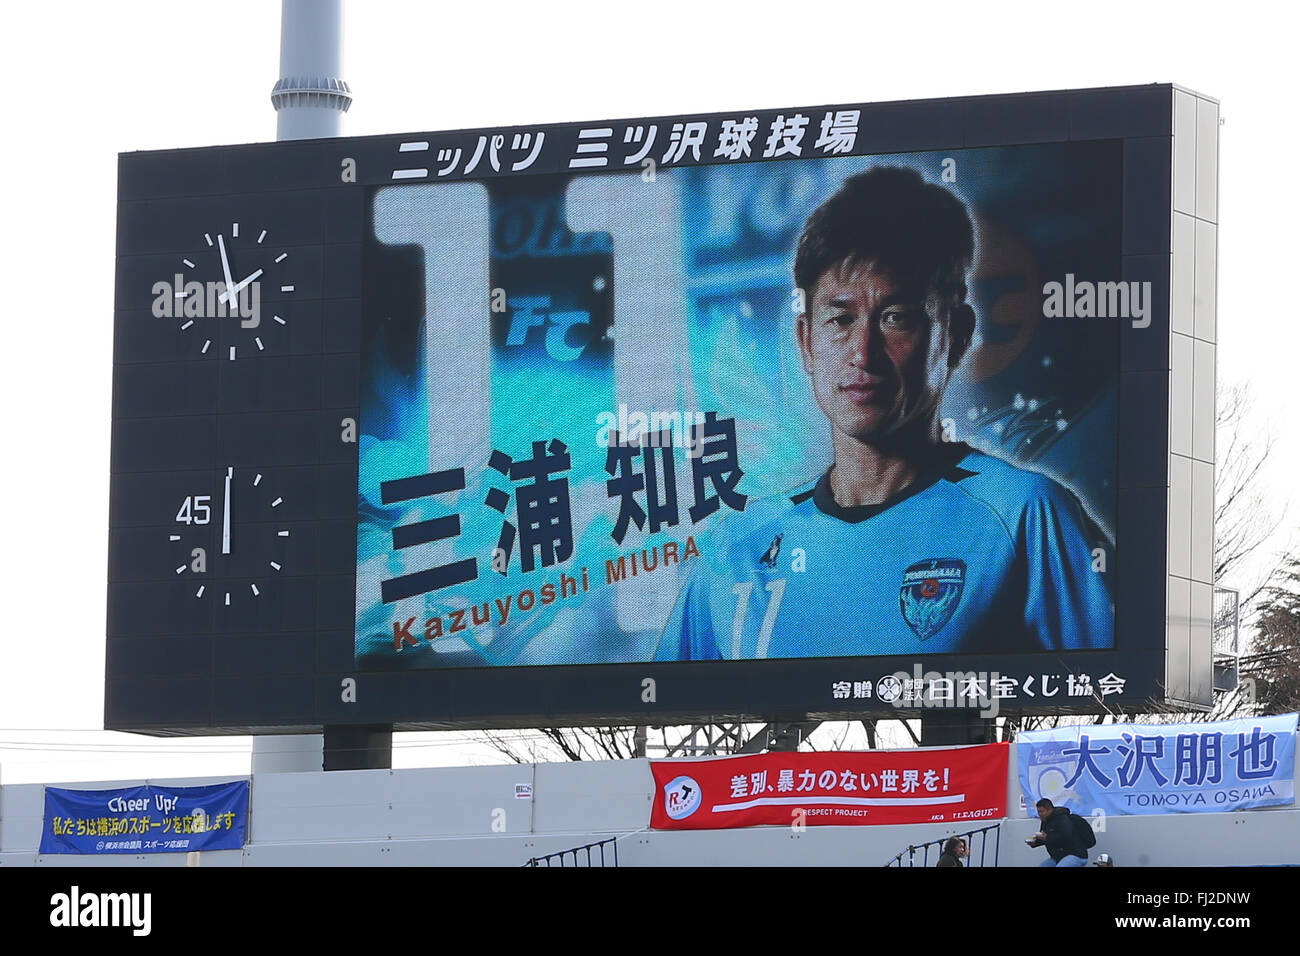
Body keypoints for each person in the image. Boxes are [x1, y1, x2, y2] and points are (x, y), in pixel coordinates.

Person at [655, 166, 1114, 661]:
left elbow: (1119, 698)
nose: (863, 353)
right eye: (840, 319)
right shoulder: (736, 549)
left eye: (896, 318)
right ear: (806, 341)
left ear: (955, 335)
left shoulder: (1025, 515)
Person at [1027, 798, 1090, 867]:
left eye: (1042, 811)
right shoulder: (1045, 821)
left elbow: (1066, 836)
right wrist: (1035, 843)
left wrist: (1047, 837)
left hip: (1076, 855)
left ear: (1050, 810)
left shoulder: (1062, 819)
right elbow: (1046, 838)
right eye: (1038, 812)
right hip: (1059, 857)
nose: (1040, 814)